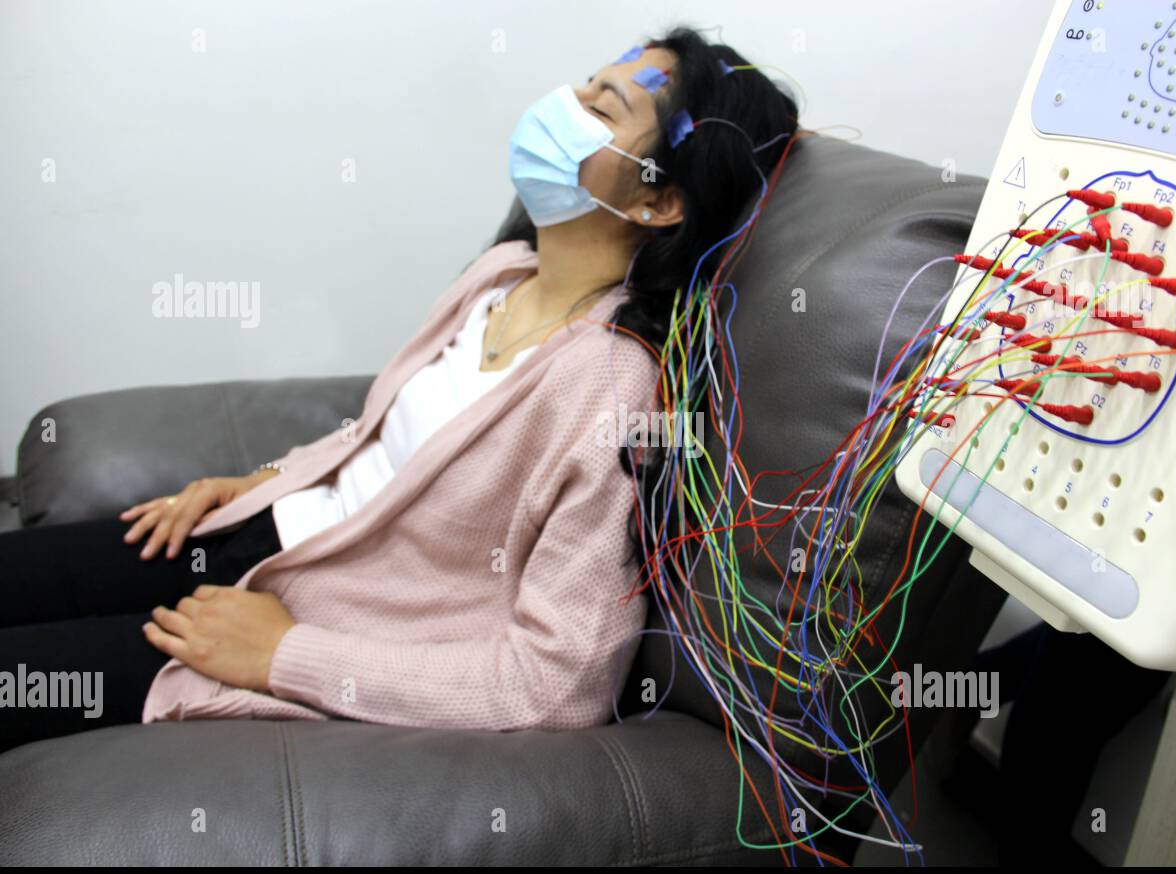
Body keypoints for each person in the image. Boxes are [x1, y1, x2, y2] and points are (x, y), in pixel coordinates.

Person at [0, 26, 801, 754]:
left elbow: (559, 683)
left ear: (660, 200)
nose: (561, 107)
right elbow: (377, 446)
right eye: (581, 85)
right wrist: (255, 483)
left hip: (311, 611)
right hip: (258, 531)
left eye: (603, 107)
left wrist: (286, 655)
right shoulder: (502, 275)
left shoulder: (612, 391)